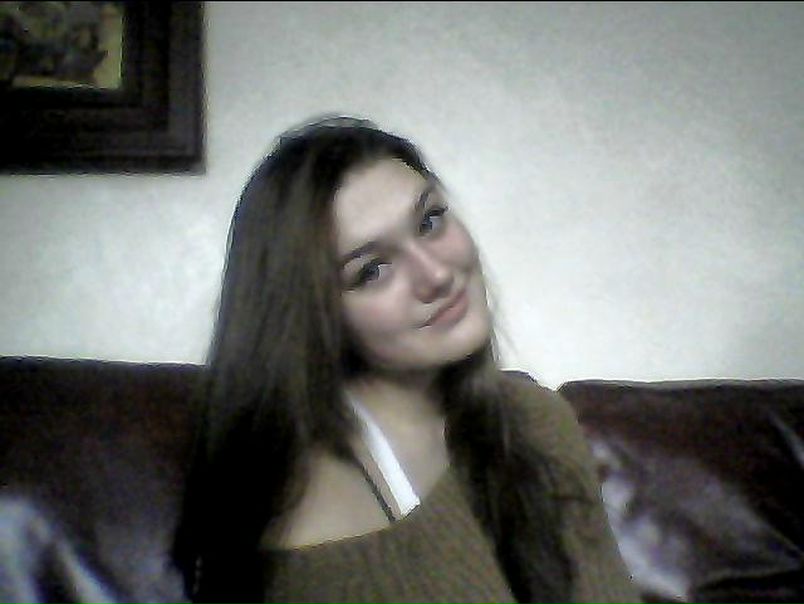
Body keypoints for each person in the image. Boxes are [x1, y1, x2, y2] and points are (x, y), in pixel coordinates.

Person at [174, 116, 639, 604]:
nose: (435, 274)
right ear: (315, 317)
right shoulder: (299, 507)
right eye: (373, 269)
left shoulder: (535, 419)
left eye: (430, 222)